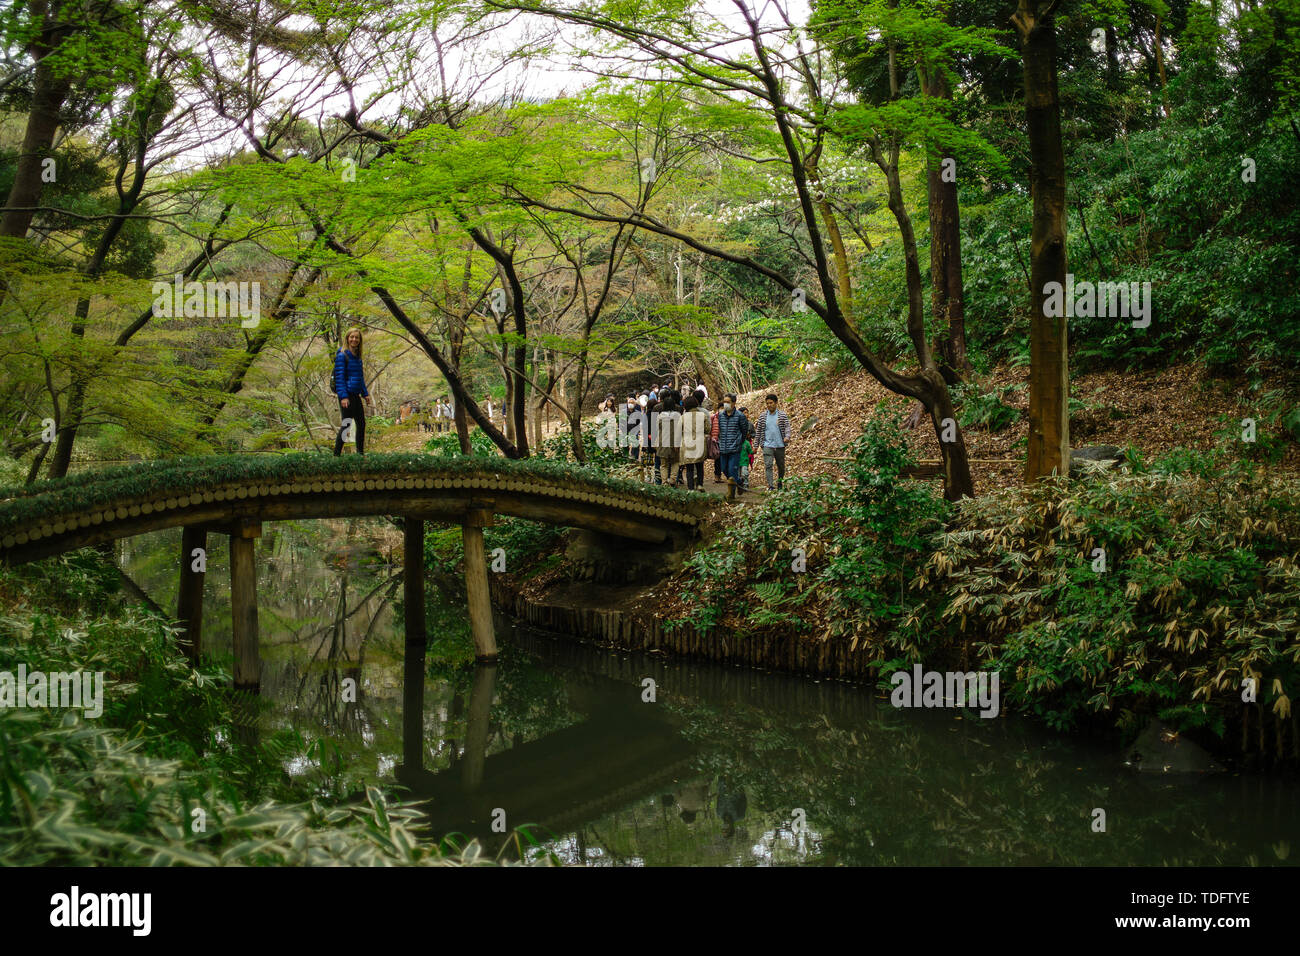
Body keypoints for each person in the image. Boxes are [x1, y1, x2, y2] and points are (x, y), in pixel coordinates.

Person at [333, 326, 373, 455]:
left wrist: (365, 394)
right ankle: (336, 455)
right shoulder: (342, 355)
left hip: (355, 395)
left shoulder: (357, 357)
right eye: (352, 337)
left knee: (361, 424)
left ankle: (360, 454)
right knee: (346, 425)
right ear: (347, 338)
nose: (354, 339)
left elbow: (360, 378)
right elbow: (339, 378)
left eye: (357, 337)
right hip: (346, 396)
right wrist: (343, 397)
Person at [715, 393, 750, 501]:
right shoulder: (720, 415)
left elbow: (744, 431)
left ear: (734, 403)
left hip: (734, 449)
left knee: (732, 471)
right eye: (724, 402)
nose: (726, 404)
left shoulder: (740, 416)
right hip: (723, 448)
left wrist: (739, 442)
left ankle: (731, 494)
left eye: (728, 402)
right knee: (725, 469)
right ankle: (739, 482)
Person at [755, 393, 791, 491]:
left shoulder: (782, 415)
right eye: (767, 403)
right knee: (768, 465)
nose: (769, 405)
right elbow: (758, 431)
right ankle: (771, 485)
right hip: (767, 444)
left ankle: (780, 482)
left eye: (771, 403)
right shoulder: (763, 416)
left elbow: (787, 427)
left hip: (779, 445)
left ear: (776, 403)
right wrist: (756, 445)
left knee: (781, 466)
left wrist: (787, 437)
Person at [680, 395, 709, 491]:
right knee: (700, 465)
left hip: (687, 443)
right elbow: (708, 429)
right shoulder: (703, 416)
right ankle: (700, 484)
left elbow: (679, 431)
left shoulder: (683, 417)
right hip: (700, 443)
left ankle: (691, 488)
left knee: (689, 468)